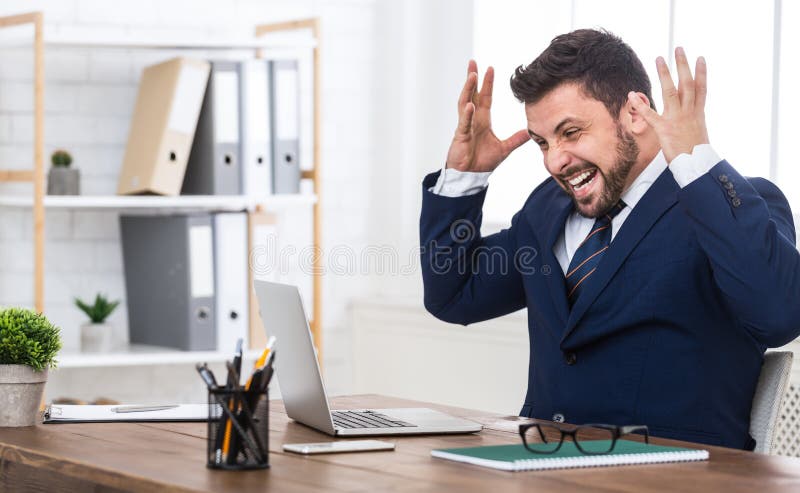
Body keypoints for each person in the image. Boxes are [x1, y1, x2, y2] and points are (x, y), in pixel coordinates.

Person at [419, 29, 800, 450]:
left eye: (571, 132)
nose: (554, 160)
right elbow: (454, 294)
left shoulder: (729, 204)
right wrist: (464, 179)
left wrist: (699, 164)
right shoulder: (546, 209)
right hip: (542, 464)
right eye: (542, 142)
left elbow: (779, 315)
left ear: (635, 114)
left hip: (675, 476)